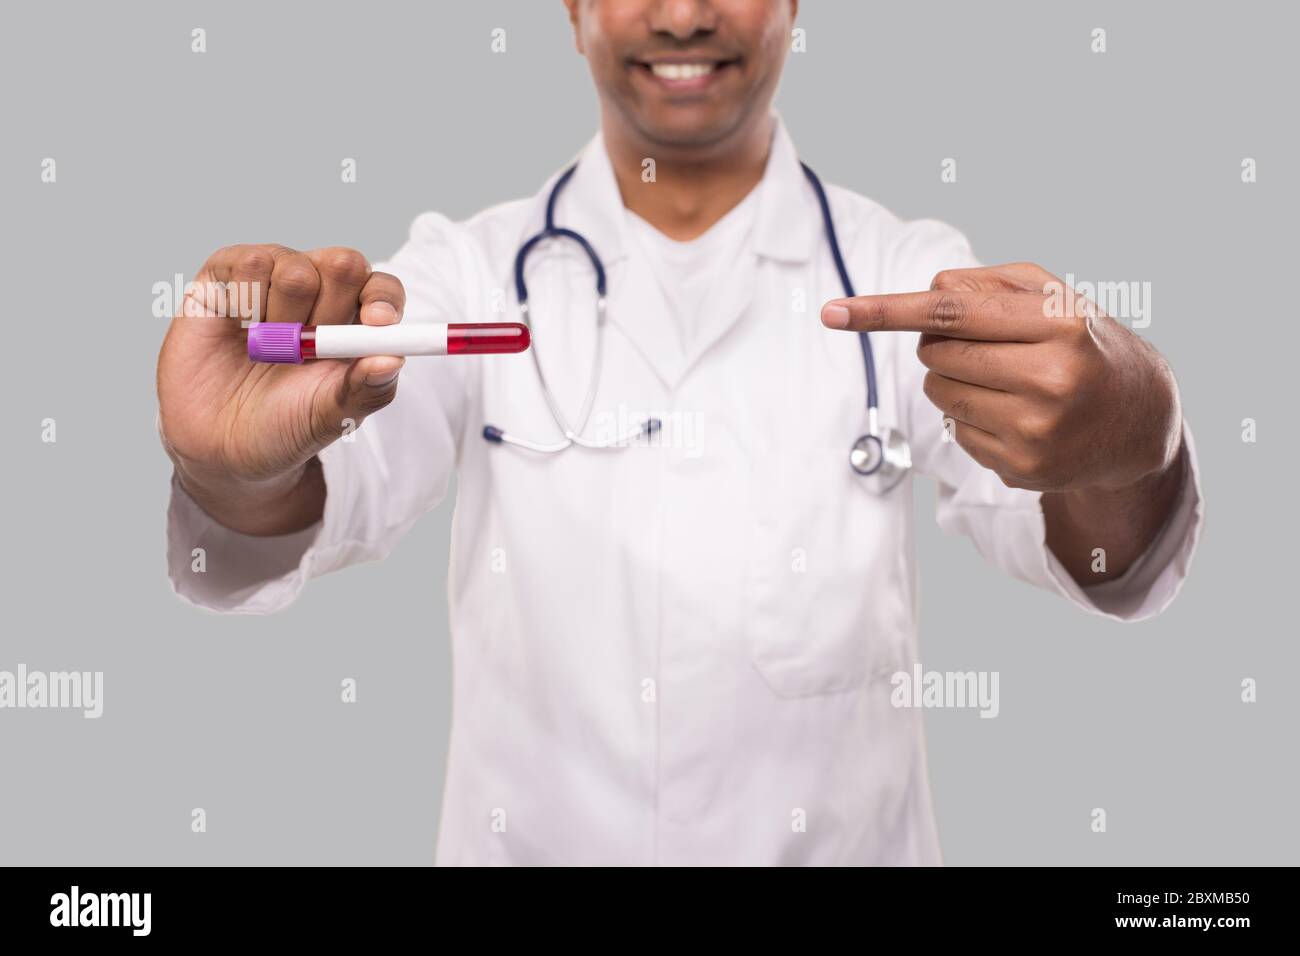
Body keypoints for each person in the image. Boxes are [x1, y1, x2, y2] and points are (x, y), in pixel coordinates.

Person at [157, 0, 1203, 865]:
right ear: (570, 10)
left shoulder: (903, 275)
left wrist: (1131, 445)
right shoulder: (466, 275)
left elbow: (1106, 565)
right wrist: (228, 476)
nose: (684, 14)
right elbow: (284, 522)